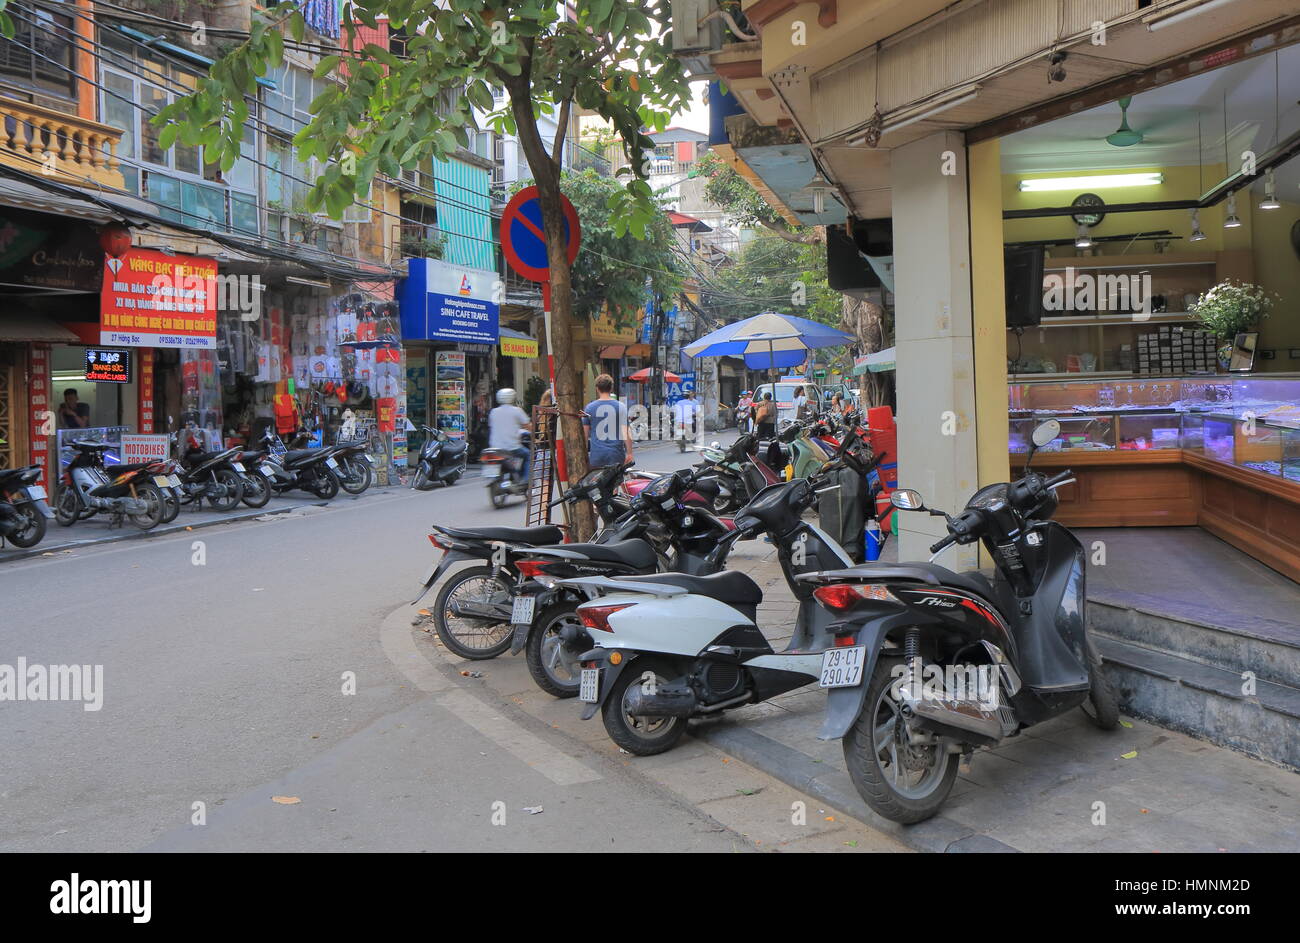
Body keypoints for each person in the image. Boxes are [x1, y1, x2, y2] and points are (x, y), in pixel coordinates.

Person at [584, 373, 634, 469]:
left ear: (597, 388)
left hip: (597, 456)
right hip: (616, 455)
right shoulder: (621, 407)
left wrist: (585, 455)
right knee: (616, 483)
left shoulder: (589, 408)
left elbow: (585, 435)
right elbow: (626, 433)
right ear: (611, 388)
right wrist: (630, 453)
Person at [489, 388, 530, 480]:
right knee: (528, 455)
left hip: (495, 448)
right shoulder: (517, 411)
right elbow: (528, 425)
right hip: (512, 447)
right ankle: (526, 480)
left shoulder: (493, 412)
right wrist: (535, 433)